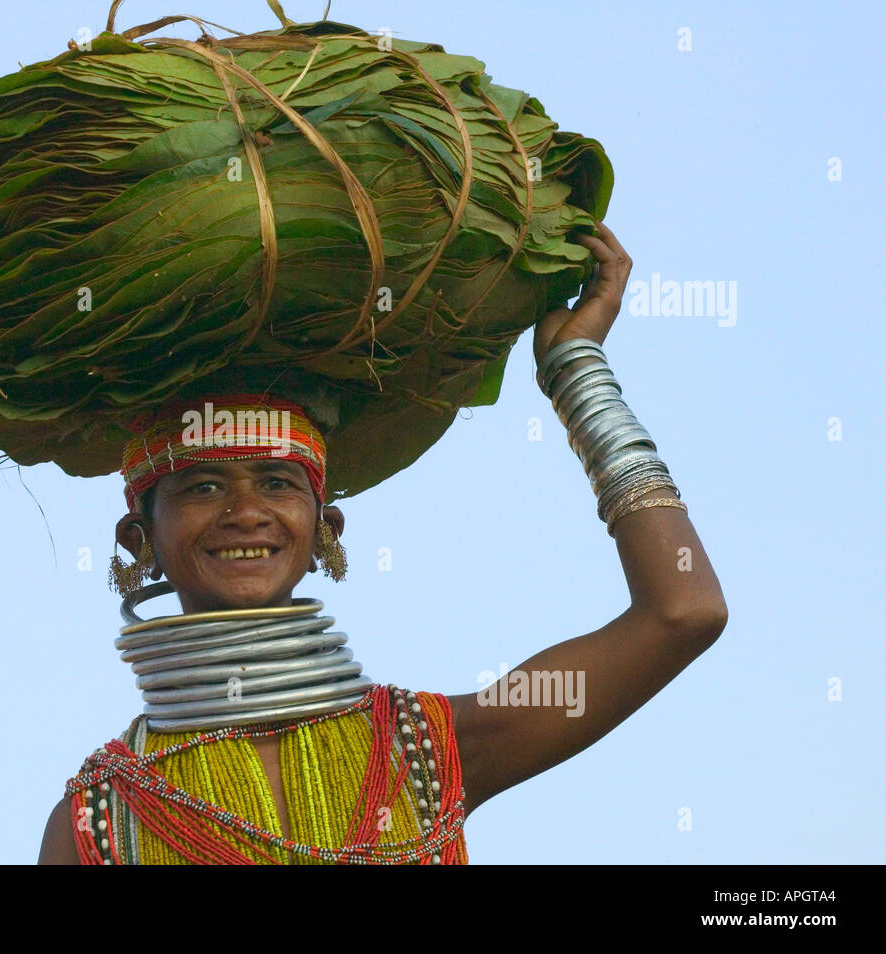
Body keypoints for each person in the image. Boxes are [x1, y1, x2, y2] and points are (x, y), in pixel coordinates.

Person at [37, 223, 728, 864]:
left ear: (324, 533)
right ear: (139, 540)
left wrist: (577, 371)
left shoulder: (422, 749)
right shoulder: (99, 818)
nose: (245, 512)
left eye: (278, 483)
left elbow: (683, 613)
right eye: (203, 488)